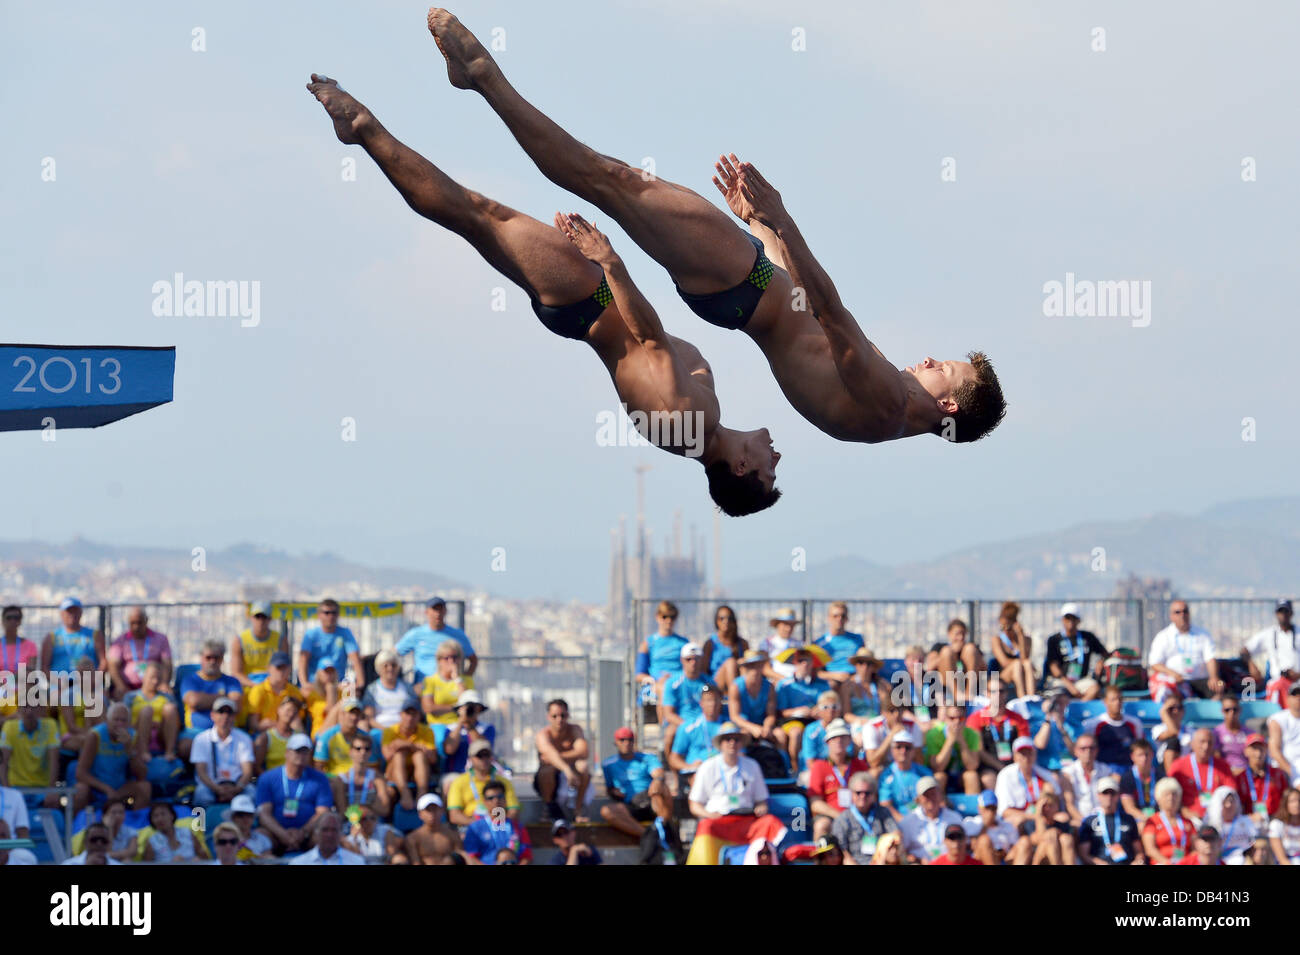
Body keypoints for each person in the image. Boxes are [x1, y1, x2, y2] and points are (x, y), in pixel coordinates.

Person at [427, 10, 1007, 449]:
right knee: (608, 181)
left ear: (950, 406)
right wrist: (763, 225)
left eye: (944, 368)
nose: (930, 359)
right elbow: (804, 306)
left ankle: (482, 79)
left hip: (743, 284)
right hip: (748, 281)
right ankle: (481, 83)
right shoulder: (887, 402)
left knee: (607, 180)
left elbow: (827, 311)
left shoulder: (886, 406)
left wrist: (781, 219)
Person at [309, 65, 784, 517]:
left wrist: (609, 262)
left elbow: (652, 341)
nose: (776, 459)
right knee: (471, 217)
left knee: (474, 212)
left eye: (768, 472)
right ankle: (374, 126)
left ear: (741, 468)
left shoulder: (695, 425)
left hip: (590, 297)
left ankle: (365, 126)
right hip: (582, 311)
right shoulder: (690, 436)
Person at [684, 723, 786, 865]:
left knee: (770, 822)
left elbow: (761, 800)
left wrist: (761, 807)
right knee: (705, 826)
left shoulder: (752, 765)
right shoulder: (707, 767)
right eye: (728, 739)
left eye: (736, 739)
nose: (732, 743)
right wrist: (709, 815)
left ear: (741, 743)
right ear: (720, 743)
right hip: (719, 821)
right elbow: (694, 805)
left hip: (747, 821)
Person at [254, 733, 334, 854]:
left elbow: (323, 812)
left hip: (308, 835)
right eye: (297, 751)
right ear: (287, 753)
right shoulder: (268, 778)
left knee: (326, 836)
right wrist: (282, 834)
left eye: (305, 752)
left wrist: (303, 832)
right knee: (260, 836)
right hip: (276, 835)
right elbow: (264, 813)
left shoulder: (319, 779)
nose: (301, 755)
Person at [73, 702, 149, 811]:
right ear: (108, 721)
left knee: (145, 787)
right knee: (80, 789)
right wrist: (107, 789)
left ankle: (138, 824)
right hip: (96, 787)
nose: (119, 724)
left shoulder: (133, 736)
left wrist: (129, 749)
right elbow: (80, 773)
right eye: (116, 720)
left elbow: (142, 775)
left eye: (123, 721)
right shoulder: (95, 735)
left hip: (121, 787)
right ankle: (77, 825)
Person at [600, 726, 670, 838]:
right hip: (630, 803)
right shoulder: (608, 765)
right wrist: (614, 792)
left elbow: (659, 773)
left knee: (660, 788)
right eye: (622, 740)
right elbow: (609, 789)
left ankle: (664, 826)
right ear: (616, 742)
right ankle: (648, 836)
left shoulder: (647, 758)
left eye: (630, 740)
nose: (626, 743)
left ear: (634, 742)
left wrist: (657, 781)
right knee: (606, 811)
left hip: (650, 799)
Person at [1147, 601, 1221, 700]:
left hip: (1200, 680)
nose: (1182, 615)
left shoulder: (1203, 634)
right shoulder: (1163, 637)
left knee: (1221, 693)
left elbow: (1210, 659)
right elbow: (1155, 663)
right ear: (1171, 616)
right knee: (1167, 694)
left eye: (1185, 611)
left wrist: (1214, 677)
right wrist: (1172, 674)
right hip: (1176, 681)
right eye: (1178, 612)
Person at [967, 675, 1030, 789]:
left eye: (1001, 691)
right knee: (989, 779)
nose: (998, 695)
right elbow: (978, 750)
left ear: (1006, 693)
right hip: (989, 766)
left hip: (1014, 764)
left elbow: (1025, 747)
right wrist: (1000, 767)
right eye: (993, 691)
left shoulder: (1018, 719)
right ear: (987, 693)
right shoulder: (976, 718)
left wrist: (1016, 767)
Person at [774, 645, 832, 767]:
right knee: (796, 733)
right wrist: (798, 711)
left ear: (813, 663)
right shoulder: (785, 685)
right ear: (795, 663)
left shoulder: (822, 685)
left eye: (808, 660)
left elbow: (828, 703)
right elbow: (780, 712)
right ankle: (794, 768)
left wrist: (817, 710)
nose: (804, 664)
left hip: (816, 720)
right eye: (801, 661)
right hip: (793, 721)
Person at [190, 697, 255, 806]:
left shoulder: (244, 738)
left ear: (234, 717)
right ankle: (204, 822)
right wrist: (217, 789)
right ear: (212, 715)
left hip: (236, 785)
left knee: (251, 793)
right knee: (202, 794)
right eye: (221, 712)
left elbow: (247, 771)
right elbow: (201, 772)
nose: (225, 716)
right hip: (211, 785)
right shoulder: (201, 739)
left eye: (229, 713)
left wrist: (236, 789)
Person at [396, 597, 476, 683]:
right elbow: (395, 653)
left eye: (440, 609)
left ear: (445, 611)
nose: (438, 613)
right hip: (423, 686)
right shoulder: (416, 634)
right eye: (435, 609)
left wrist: (465, 679)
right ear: (426, 612)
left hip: (449, 686)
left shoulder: (458, 635)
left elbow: (473, 660)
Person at [534, 698, 590, 821]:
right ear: (548, 717)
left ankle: (578, 809)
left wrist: (555, 758)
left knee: (583, 766)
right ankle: (548, 807)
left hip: (572, 779)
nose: (559, 720)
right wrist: (566, 767)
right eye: (555, 716)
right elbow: (548, 754)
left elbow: (584, 752)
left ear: (568, 715)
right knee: (546, 771)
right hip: (551, 781)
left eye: (562, 715)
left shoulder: (574, 729)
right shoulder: (543, 734)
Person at [806, 720, 869, 827]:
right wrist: (840, 816)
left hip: (858, 813)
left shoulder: (859, 765)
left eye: (842, 737)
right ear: (827, 742)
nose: (838, 740)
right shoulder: (819, 766)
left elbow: (870, 795)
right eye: (834, 738)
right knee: (822, 825)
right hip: (831, 816)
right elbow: (815, 804)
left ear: (849, 740)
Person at [446, 739, 520, 825]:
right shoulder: (459, 782)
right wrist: (481, 826)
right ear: (470, 759)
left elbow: (513, 810)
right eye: (479, 756)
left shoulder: (504, 781)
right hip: (470, 828)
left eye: (487, 755)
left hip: (498, 827)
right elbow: (454, 816)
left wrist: (499, 826)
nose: (484, 759)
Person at [1042, 604, 1108, 699]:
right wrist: (1070, 686)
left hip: (1082, 680)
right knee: (1059, 695)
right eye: (1067, 618)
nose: (1071, 621)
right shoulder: (1054, 640)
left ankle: (1079, 708)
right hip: (1061, 681)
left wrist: (1101, 662)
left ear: (1079, 620)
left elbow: (1105, 653)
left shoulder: (1088, 637)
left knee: (1095, 689)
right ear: (1062, 620)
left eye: (1074, 618)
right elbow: (1053, 666)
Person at [382, 702, 439, 811]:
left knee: (419, 756)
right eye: (407, 714)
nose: (410, 718)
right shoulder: (390, 731)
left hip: (415, 773)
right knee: (399, 755)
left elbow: (433, 759)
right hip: (394, 773)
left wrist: (409, 745)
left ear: (419, 716)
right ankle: (405, 793)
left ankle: (421, 792)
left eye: (414, 714)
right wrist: (414, 747)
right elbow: (387, 757)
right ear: (401, 715)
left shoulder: (426, 731)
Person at [831, 772, 898, 864]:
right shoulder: (843, 819)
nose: (862, 796)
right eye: (858, 793)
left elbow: (895, 833)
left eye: (867, 793)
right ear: (852, 794)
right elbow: (842, 850)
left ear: (874, 795)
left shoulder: (883, 812)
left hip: (881, 860)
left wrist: (887, 851)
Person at [0, 703, 60, 806]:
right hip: (16, 787)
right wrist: (7, 791)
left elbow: (54, 761)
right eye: (26, 707)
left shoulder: (51, 725)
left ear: (41, 709)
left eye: (34, 706)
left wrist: (51, 790)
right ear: (19, 710)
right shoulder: (9, 727)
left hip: (42, 788)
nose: (29, 712)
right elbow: (3, 763)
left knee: (53, 803)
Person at [179, 639, 243, 734]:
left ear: (222, 659)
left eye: (216, 658)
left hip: (228, 732)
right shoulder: (190, 680)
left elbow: (236, 704)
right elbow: (194, 701)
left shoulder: (232, 681)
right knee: (185, 746)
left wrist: (204, 701)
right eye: (208, 657)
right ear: (201, 658)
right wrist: (225, 698)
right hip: (195, 732)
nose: (212, 661)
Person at [298, 599, 363, 692]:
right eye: (327, 613)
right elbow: (303, 660)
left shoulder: (345, 633)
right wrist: (305, 683)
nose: (331, 616)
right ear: (319, 615)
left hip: (338, 685)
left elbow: (355, 659)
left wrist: (359, 684)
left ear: (338, 615)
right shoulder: (311, 634)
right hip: (314, 686)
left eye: (334, 613)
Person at [635, 601, 690, 712]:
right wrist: (652, 679)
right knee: (664, 688)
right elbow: (639, 674)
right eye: (664, 617)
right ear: (657, 617)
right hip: (656, 684)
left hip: (679, 681)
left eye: (672, 617)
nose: (668, 621)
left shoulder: (683, 643)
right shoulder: (648, 643)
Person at [994, 737, 1059, 829]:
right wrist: (1035, 817)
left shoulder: (1045, 776)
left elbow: (1056, 805)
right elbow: (1005, 811)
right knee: (1018, 821)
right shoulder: (1005, 775)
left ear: (1035, 755)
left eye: (1029, 753)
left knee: (1062, 817)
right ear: (1015, 756)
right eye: (1022, 753)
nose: (1026, 757)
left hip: (1042, 818)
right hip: (1023, 819)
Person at [106, 606, 172, 696]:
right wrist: (120, 685)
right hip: (128, 686)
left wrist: (164, 683)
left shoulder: (161, 639)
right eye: (133, 623)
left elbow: (167, 664)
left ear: (146, 621)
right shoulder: (120, 641)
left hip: (154, 686)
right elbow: (112, 665)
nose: (136, 627)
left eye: (139, 623)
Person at [1076, 776, 1143, 865]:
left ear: (1118, 795)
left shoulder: (1128, 819)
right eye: (1105, 793)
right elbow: (1084, 854)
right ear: (1098, 795)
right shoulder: (1089, 822)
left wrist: (1137, 861)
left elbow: (1139, 851)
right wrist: (1100, 863)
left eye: (1112, 793)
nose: (1109, 797)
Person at [462, 781, 533, 864]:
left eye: (500, 797)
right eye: (490, 798)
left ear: (505, 800)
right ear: (485, 802)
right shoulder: (475, 828)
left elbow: (527, 856)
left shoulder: (518, 827)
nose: (496, 801)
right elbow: (471, 857)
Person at [1169, 728, 1235, 816]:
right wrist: (1183, 810)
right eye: (1202, 742)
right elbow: (1170, 793)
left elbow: (1231, 792)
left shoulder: (1223, 766)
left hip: (1217, 816)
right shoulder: (1178, 765)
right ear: (1192, 744)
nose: (1206, 746)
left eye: (1210, 743)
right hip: (1188, 818)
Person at [434, 690, 496, 782]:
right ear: (459, 709)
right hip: (455, 774)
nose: (470, 710)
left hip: (480, 774)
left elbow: (483, 748)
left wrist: (470, 727)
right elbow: (449, 750)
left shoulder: (487, 728)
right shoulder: (451, 728)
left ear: (479, 709)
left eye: (474, 707)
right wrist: (460, 722)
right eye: (467, 707)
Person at [899, 776, 963, 863]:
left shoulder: (954, 818)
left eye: (933, 793)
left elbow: (963, 845)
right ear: (918, 799)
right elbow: (902, 852)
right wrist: (917, 860)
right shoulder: (907, 822)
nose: (930, 798)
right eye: (926, 795)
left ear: (940, 795)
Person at [669, 683, 728, 776]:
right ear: (701, 703)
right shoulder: (688, 727)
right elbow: (674, 758)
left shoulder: (728, 726)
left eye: (715, 700)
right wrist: (689, 766)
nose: (712, 704)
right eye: (708, 700)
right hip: (696, 771)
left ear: (721, 702)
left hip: (723, 771)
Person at [124, 661, 180, 760]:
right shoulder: (131, 697)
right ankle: (143, 752)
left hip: (161, 734)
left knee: (170, 708)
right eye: (152, 677)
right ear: (144, 677)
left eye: (158, 678)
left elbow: (177, 723)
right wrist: (146, 722)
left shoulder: (168, 697)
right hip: (138, 733)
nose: (155, 681)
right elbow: (125, 723)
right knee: (147, 711)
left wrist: (159, 724)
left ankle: (170, 751)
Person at [729, 650, 783, 749]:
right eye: (751, 665)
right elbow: (735, 716)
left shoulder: (769, 687)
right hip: (743, 726)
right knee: (743, 736)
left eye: (758, 665)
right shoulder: (736, 686)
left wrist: (767, 726)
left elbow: (770, 714)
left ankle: (784, 762)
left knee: (780, 735)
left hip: (762, 725)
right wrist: (752, 728)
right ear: (746, 667)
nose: (755, 669)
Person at [923, 704, 982, 795]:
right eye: (952, 718)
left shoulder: (972, 734)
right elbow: (937, 767)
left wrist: (962, 741)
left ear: (965, 719)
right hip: (943, 774)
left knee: (971, 776)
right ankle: (939, 807)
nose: (957, 722)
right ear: (945, 719)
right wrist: (950, 741)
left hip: (961, 776)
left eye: (961, 718)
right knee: (939, 777)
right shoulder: (933, 734)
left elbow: (972, 766)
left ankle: (973, 808)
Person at [335, 731, 392, 823]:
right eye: (358, 748)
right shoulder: (341, 780)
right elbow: (343, 813)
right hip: (349, 825)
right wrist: (368, 804)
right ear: (351, 752)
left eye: (367, 749)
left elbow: (384, 810)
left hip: (373, 824)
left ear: (370, 753)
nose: (362, 752)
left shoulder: (377, 778)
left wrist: (361, 807)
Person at [878, 731, 935, 824]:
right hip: (897, 822)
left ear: (913, 751)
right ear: (892, 750)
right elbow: (885, 804)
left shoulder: (924, 772)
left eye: (907, 748)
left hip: (924, 819)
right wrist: (904, 822)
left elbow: (934, 799)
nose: (903, 751)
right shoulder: (886, 775)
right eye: (898, 747)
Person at [244, 652, 306, 735]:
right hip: (263, 734)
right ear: (269, 668)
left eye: (284, 667)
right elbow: (253, 724)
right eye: (278, 667)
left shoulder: (295, 692)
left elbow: (297, 721)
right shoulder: (258, 690)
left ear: (290, 669)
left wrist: (275, 725)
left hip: (287, 734)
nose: (281, 671)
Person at [662, 643, 708, 755]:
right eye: (689, 659)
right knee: (670, 734)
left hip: (705, 722)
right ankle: (673, 768)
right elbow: (668, 714)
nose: (693, 662)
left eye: (696, 659)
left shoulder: (709, 683)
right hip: (681, 723)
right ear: (682, 660)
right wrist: (687, 726)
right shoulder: (672, 683)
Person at [1084, 684, 1143, 770]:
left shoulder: (1134, 723)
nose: (1117, 703)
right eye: (1113, 700)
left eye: (1120, 699)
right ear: (1105, 702)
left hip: (1129, 768)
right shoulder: (1094, 724)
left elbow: (1140, 748)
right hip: (1103, 769)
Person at [41, 597, 105, 676]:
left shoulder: (95, 635)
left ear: (81, 612)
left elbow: (103, 662)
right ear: (62, 614)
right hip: (60, 684)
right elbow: (44, 667)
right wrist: (56, 681)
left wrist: (95, 679)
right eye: (69, 611)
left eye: (75, 611)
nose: (72, 614)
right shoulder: (51, 637)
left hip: (88, 683)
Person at [315, 699, 379, 777]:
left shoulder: (367, 739)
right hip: (334, 780)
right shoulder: (328, 737)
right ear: (342, 714)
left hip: (359, 781)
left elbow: (373, 766)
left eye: (357, 714)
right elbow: (319, 766)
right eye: (351, 713)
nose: (354, 717)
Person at [1140, 777, 1197, 864]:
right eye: (1166, 794)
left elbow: (1195, 849)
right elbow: (1149, 849)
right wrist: (1167, 862)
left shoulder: (1187, 822)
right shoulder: (1152, 821)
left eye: (1174, 794)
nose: (1171, 797)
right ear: (1159, 798)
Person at [404, 792, 471, 865]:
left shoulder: (453, 835)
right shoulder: (413, 838)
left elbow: (460, 858)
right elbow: (415, 862)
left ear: (441, 811)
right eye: (428, 810)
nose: (432, 814)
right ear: (420, 814)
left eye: (435, 809)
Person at [1244, 599, 1298, 688]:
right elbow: (1245, 650)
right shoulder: (1269, 634)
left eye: (1286, 611)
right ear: (1276, 614)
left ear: (1291, 613)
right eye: (1281, 611)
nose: (1283, 614)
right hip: (1276, 683)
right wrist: (1252, 666)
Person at [230, 601, 286, 687]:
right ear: (251, 617)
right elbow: (236, 672)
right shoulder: (239, 640)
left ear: (270, 619)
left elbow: (284, 669)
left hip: (273, 686)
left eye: (264, 617)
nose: (261, 621)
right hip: (248, 685)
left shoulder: (280, 640)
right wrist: (254, 685)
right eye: (257, 616)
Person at [361, 649, 420, 729]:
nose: (390, 668)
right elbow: (370, 718)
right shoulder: (372, 689)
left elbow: (414, 713)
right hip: (380, 730)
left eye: (393, 665)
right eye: (385, 665)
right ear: (379, 668)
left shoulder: (407, 688)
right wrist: (387, 732)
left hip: (404, 730)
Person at [861, 697, 925, 769]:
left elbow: (919, 761)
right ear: (883, 713)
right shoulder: (871, 727)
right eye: (892, 711)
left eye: (899, 709)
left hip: (907, 766)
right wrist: (891, 736)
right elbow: (873, 763)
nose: (896, 714)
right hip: (883, 767)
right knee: (875, 772)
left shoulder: (913, 726)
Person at [1237, 733, 1288, 825]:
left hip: (1275, 821)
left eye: (1261, 748)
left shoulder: (1277, 774)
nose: (1258, 753)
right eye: (1254, 748)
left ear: (1266, 750)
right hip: (1249, 821)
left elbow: (1285, 800)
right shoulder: (1241, 778)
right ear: (1246, 751)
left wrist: (1279, 818)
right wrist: (1248, 817)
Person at [928, 619, 985, 700]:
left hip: (967, 686)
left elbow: (984, 668)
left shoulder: (972, 648)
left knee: (970, 649)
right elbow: (929, 667)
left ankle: (970, 693)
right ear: (949, 634)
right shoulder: (939, 647)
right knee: (946, 651)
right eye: (957, 634)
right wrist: (951, 651)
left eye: (963, 634)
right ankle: (957, 694)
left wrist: (969, 654)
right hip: (946, 687)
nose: (961, 637)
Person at [962, 789, 1023, 866]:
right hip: (980, 860)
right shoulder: (971, 823)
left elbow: (1014, 847)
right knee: (984, 841)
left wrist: (1004, 853)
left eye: (993, 808)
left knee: (1024, 842)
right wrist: (985, 825)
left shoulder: (1007, 825)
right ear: (979, 808)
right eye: (987, 808)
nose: (990, 812)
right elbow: (971, 847)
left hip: (1004, 859)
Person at [421, 640, 473, 728]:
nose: (451, 661)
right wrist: (456, 708)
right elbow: (428, 708)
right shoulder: (430, 681)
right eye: (446, 658)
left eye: (455, 657)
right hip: (438, 725)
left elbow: (467, 705)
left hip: (462, 725)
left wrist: (457, 679)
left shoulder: (467, 680)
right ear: (439, 660)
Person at [290, 810, 367, 865]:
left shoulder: (356, 862)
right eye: (325, 830)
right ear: (316, 833)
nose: (329, 834)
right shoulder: (299, 863)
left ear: (341, 833)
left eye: (334, 830)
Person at [991, 601, 1034, 700]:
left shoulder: (1026, 639)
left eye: (1009, 626)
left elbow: (1025, 658)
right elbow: (1004, 662)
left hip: (1021, 670)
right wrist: (1018, 662)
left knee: (1027, 663)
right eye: (1003, 626)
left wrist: (1020, 636)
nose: (1006, 629)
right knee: (1017, 664)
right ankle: (1022, 698)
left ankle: (1031, 698)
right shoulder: (997, 640)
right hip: (1004, 675)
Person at [814, 602, 865, 684]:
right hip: (832, 679)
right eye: (835, 616)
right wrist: (835, 676)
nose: (839, 619)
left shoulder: (857, 639)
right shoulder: (820, 643)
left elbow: (865, 662)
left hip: (855, 678)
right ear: (829, 618)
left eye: (843, 616)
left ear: (847, 619)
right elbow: (817, 673)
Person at [1061, 734, 1105, 825]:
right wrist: (1086, 823)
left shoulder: (1106, 771)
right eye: (1083, 748)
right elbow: (1069, 805)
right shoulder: (1068, 773)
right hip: (1079, 820)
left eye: (1091, 748)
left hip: (1102, 819)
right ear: (1076, 751)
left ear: (1097, 750)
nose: (1088, 752)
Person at [142, 802, 208, 862]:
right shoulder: (151, 842)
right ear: (152, 821)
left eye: (163, 814)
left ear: (172, 816)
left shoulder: (187, 833)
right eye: (155, 816)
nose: (160, 819)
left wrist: (198, 860)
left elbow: (205, 857)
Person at [1205, 785, 1256, 864]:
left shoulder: (1246, 821)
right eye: (1225, 802)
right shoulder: (1212, 825)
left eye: (1232, 801)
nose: (1229, 805)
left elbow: (1254, 841)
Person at [702, 605, 747, 690]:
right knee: (731, 663)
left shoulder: (742, 643)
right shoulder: (710, 643)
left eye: (729, 618)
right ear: (717, 621)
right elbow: (703, 671)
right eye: (722, 618)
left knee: (744, 666)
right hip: (716, 683)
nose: (726, 621)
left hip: (738, 679)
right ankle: (733, 697)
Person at [796, 690, 843, 771]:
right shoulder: (811, 730)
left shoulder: (845, 729)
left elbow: (848, 757)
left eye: (834, 707)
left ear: (840, 709)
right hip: (815, 772)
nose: (830, 710)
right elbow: (810, 761)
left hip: (839, 771)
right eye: (825, 707)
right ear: (818, 710)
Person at [254, 695, 302, 773]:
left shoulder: (299, 737)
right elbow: (256, 766)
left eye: (295, 711)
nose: (291, 713)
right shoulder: (266, 737)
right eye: (288, 710)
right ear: (279, 710)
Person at [840, 649, 888, 726]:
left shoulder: (880, 685)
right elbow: (846, 715)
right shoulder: (847, 686)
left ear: (873, 667)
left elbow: (885, 711)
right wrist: (862, 721)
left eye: (869, 664)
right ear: (856, 665)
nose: (865, 667)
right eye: (861, 662)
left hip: (877, 724)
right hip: (857, 725)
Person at [1120, 739, 1164, 821]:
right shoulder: (1127, 778)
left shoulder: (1161, 777)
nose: (1144, 758)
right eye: (1140, 755)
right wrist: (1147, 819)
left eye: (1147, 754)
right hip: (1137, 820)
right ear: (1132, 757)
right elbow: (1129, 808)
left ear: (1152, 755)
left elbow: (1165, 804)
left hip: (1159, 818)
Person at [1267, 682, 1300, 784]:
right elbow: (1274, 750)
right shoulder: (1277, 719)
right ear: (1288, 698)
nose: (1298, 697)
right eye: (1295, 694)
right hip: (1287, 766)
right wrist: (1291, 772)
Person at [0, 606, 40, 690]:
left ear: (20, 621)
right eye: (9, 618)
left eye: (16, 618)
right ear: (3, 621)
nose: (13, 621)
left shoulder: (30, 645)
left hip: (22, 687)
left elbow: (30, 672)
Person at [226, 793, 273, 861]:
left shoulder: (263, 840)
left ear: (253, 818)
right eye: (240, 815)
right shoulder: (225, 840)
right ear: (233, 818)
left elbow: (269, 861)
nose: (245, 819)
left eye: (249, 815)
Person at [761, 608, 803, 681]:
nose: (788, 628)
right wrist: (785, 679)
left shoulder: (800, 644)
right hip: (776, 682)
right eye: (785, 624)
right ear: (777, 625)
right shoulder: (767, 643)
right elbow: (765, 669)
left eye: (791, 625)